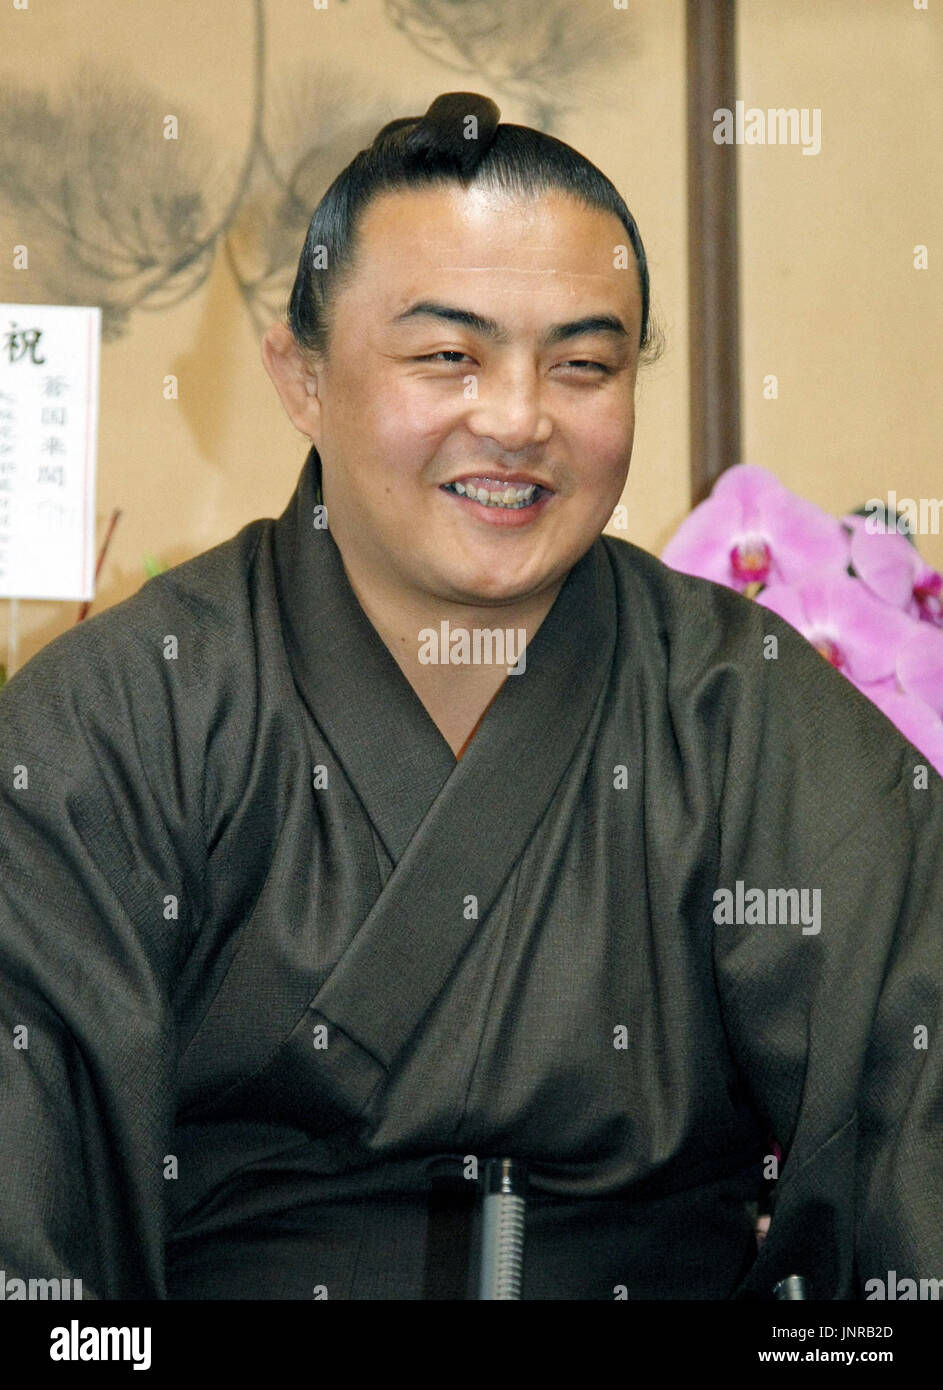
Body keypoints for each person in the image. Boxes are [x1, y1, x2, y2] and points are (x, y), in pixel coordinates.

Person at [0, 91, 940, 1302]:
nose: (516, 418)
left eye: (583, 364)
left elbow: (906, 1123)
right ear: (301, 378)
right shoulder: (118, 716)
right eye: (446, 355)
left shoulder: (745, 712)